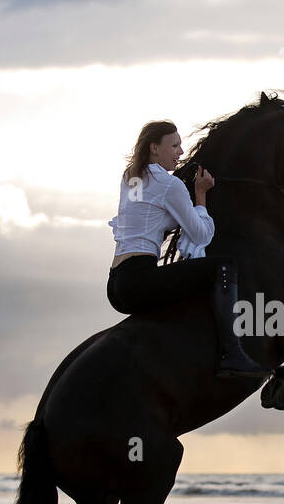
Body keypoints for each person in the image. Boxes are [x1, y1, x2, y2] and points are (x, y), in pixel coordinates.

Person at [107, 120, 272, 379]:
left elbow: (148, 215)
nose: (181, 153)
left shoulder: (132, 177)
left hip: (117, 283)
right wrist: (200, 194)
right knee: (224, 266)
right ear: (154, 148)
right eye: (174, 146)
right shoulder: (169, 186)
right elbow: (201, 233)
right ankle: (232, 354)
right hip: (140, 279)